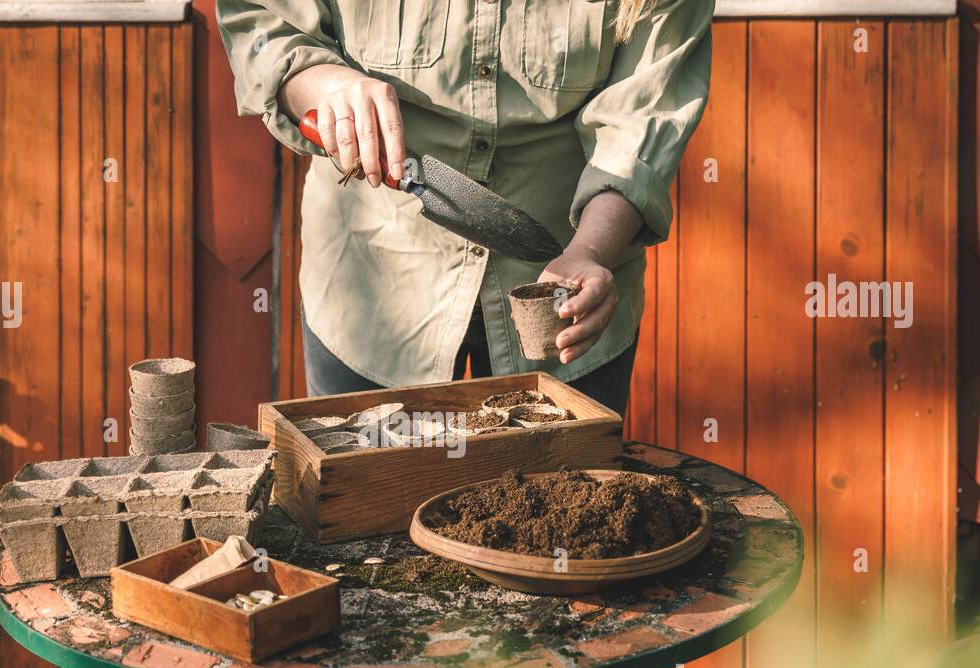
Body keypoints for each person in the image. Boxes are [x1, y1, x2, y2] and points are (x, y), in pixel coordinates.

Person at [217, 0, 713, 414]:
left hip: (567, 298)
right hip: (371, 289)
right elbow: (263, 18)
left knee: (562, 517)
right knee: (363, 514)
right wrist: (319, 81)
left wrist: (593, 248)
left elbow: (647, 109)